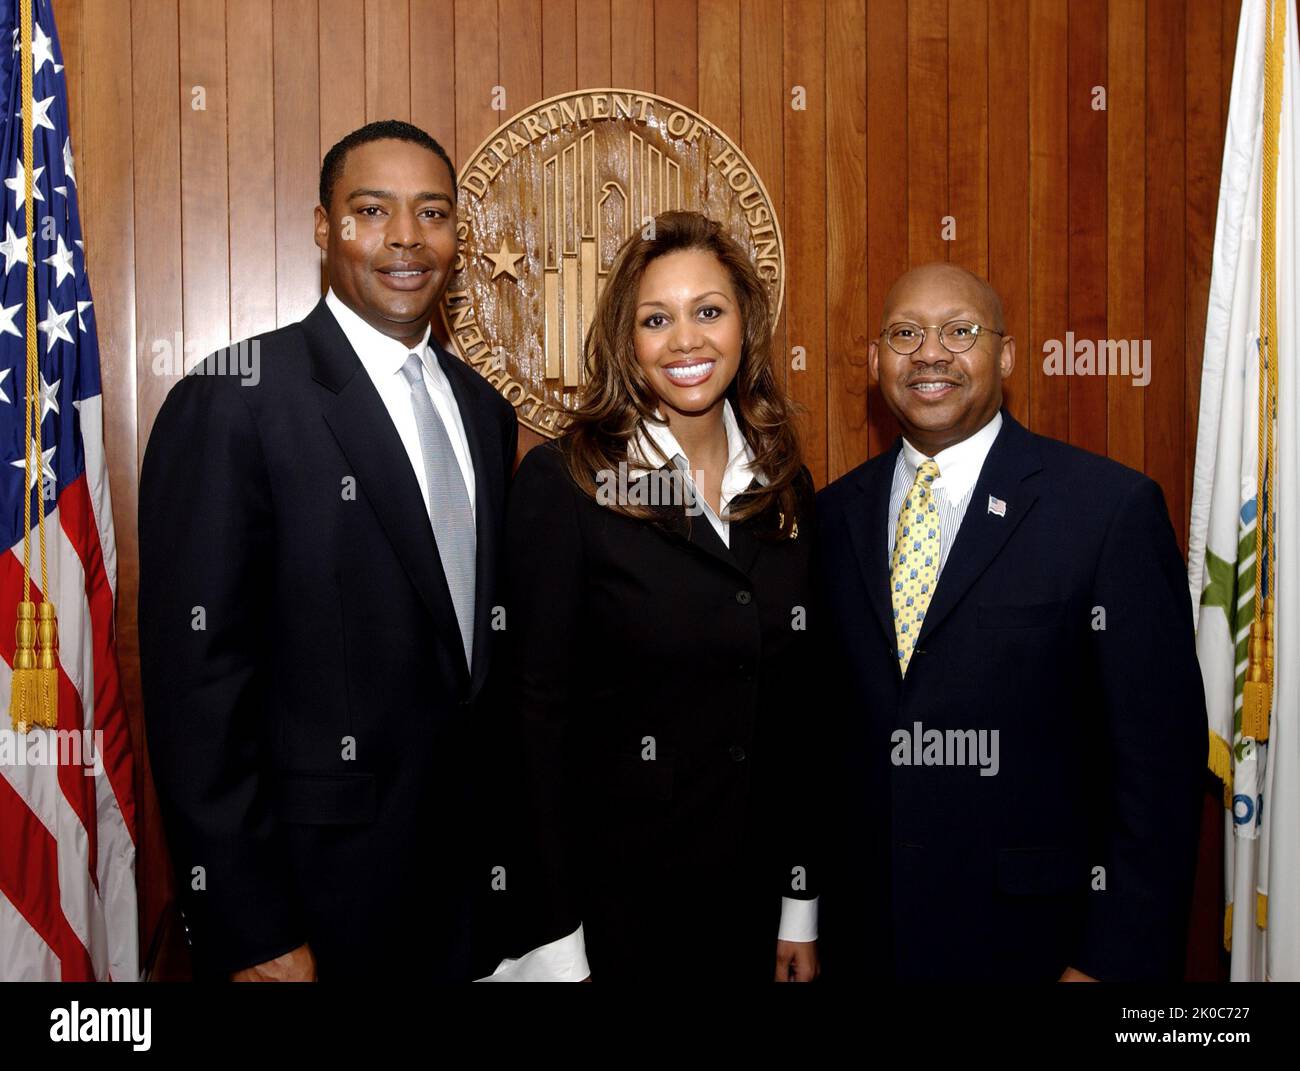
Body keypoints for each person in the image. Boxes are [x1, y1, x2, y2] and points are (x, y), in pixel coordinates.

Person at [138, 120, 517, 981]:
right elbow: (199, 693)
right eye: (371, 211)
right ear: (322, 228)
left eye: (432, 213)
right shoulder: (233, 400)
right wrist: (251, 927)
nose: (406, 239)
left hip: (466, 906)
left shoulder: (483, 412)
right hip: (310, 909)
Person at [815, 262, 1206, 981]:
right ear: (874, 363)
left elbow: (1160, 774)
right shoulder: (831, 516)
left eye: (960, 331)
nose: (930, 353)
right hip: (863, 943)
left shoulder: (1107, 512)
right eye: (905, 334)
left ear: (1006, 355)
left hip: (1035, 948)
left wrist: (1109, 961)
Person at [489, 211, 820, 982]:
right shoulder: (565, 482)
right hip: (615, 913)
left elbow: (800, 709)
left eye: (709, 311)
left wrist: (798, 904)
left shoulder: (784, 485)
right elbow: (530, 723)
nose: (687, 341)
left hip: (752, 907)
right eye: (656, 319)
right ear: (625, 343)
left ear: (745, 324)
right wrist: (554, 938)